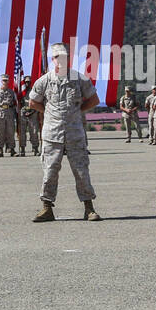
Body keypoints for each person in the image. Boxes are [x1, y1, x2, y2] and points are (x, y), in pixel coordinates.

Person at [28, 42, 100, 222]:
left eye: (65, 57)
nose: (61, 61)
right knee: (50, 171)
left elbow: (94, 100)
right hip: (52, 133)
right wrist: (51, 114)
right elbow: (33, 102)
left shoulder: (80, 79)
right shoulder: (44, 80)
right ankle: (46, 208)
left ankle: (89, 208)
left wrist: (76, 112)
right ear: (53, 59)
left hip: (74, 132)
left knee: (81, 170)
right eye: (58, 57)